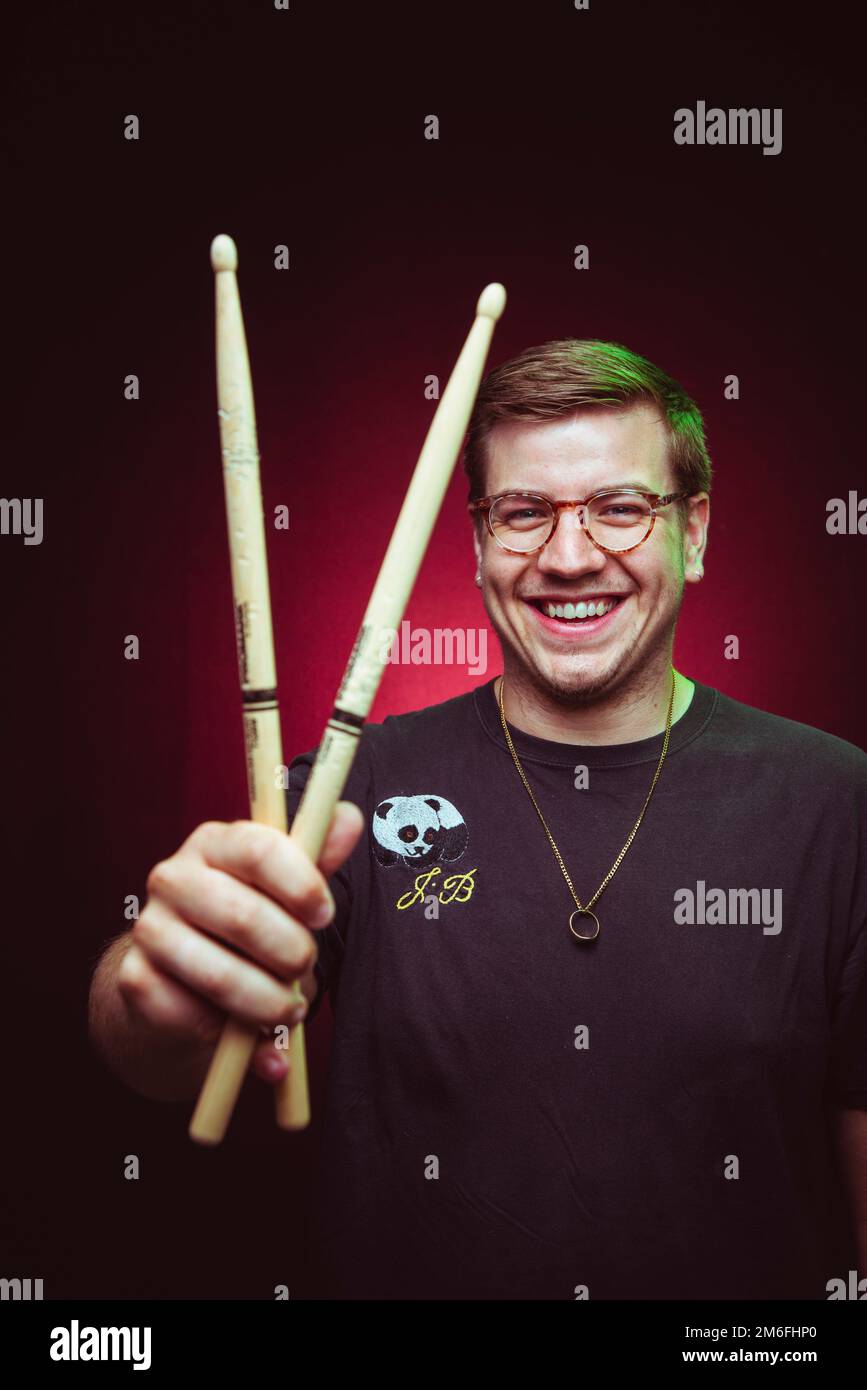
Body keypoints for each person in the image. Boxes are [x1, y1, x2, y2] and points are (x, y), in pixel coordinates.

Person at [89, 338, 867, 1300]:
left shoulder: (838, 803)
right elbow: (158, 1054)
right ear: (475, 541)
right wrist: (158, 982)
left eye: (620, 509)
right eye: (523, 513)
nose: (569, 557)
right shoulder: (358, 782)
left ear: (694, 533)